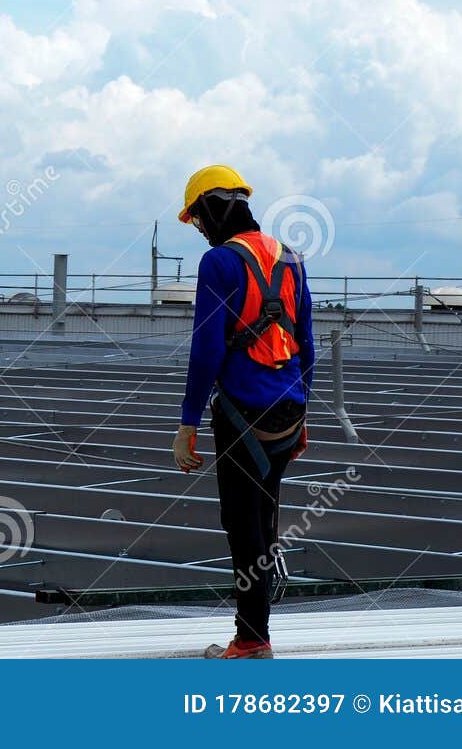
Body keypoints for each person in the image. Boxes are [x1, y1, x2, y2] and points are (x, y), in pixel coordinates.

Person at [170, 165, 315, 659]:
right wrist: (303, 413)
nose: (199, 231)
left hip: (242, 413)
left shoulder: (218, 263)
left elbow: (206, 350)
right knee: (266, 515)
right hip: (287, 410)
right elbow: (306, 345)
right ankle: (256, 632)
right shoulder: (291, 258)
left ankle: (252, 639)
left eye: (197, 221)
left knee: (243, 522)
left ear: (211, 210)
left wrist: (187, 423)